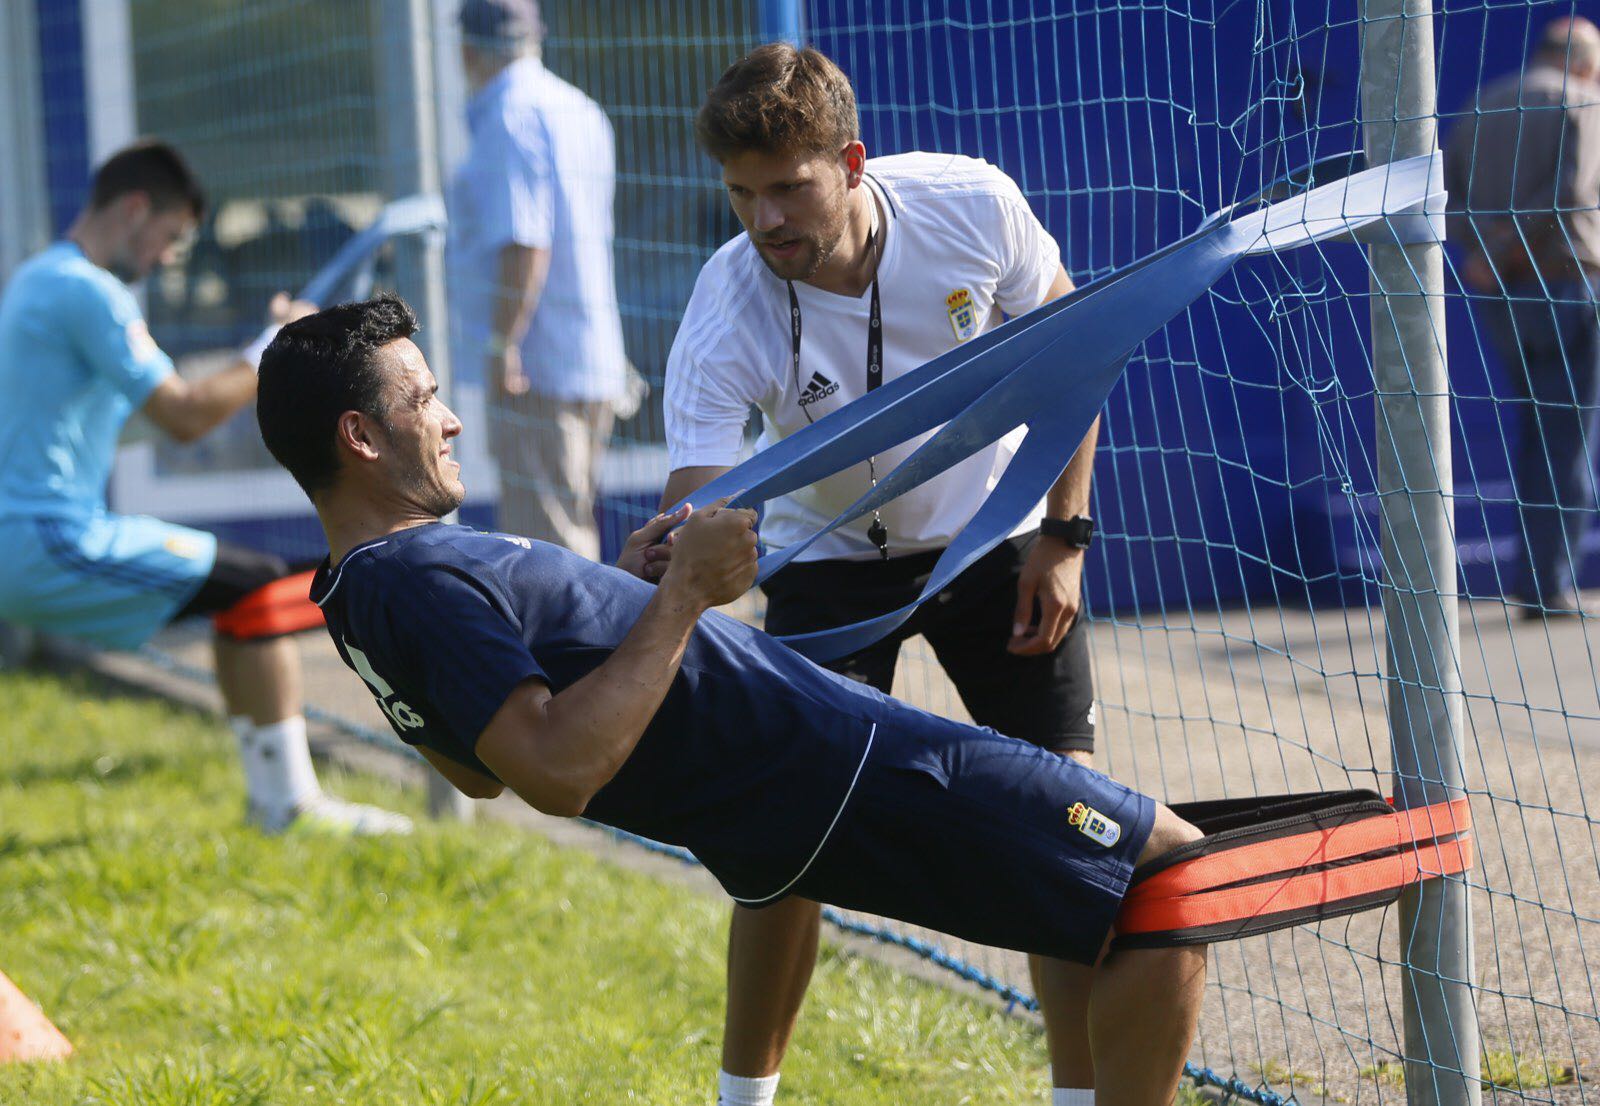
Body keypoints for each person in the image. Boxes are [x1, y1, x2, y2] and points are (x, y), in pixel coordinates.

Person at [253, 293, 1208, 1105]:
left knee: (1131, 882)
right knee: (1165, 875)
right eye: (425, 400)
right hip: (836, 767)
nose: (451, 419)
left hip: (800, 780)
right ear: (361, 438)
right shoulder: (413, 576)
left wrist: (616, 604)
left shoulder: (354, 588)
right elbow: (553, 775)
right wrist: (678, 599)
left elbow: (477, 770)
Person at [650, 43, 1106, 1104]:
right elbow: (702, 504)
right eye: (740, 196)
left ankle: (1080, 1096)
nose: (765, 221)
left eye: (787, 187)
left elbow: (1076, 343)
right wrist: (682, 555)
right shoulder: (727, 308)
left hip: (995, 540)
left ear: (850, 161)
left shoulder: (969, 205)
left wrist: (1063, 533)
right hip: (830, 563)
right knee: (783, 842)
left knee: (1070, 823)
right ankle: (743, 1100)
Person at [0, 139, 410, 836]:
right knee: (257, 588)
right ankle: (288, 806)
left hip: (31, 538)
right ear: (135, 211)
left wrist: (264, 349)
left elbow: (139, 418)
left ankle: (279, 803)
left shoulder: (41, 277)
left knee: (243, 591)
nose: (165, 258)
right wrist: (273, 346)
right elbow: (186, 415)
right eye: (170, 238)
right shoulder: (87, 291)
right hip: (44, 542)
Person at [448, 0, 629, 558]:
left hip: (535, 363)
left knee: (549, 549)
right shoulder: (576, 106)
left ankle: (583, 649)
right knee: (563, 528)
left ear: (468, 49)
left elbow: (525, 241)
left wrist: (504, 343)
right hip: (583, 353)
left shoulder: (510, 115)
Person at [1445, 16, 1600, 618]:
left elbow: (1447, 195)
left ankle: (1537, 577)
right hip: (1568, 283)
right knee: (1569, 439)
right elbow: (1572, 193)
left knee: (1537, 432)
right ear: (1584, 61)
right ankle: (1548, 586)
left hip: (1502, 294)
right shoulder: (1583, 100)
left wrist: (1482, 250)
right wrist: (1506, 242)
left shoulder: (1483, 103)